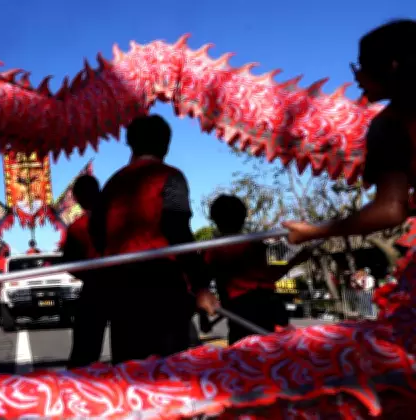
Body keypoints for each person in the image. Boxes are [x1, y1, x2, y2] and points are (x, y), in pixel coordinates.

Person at [89, 115, 218, 364]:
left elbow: (97, 232)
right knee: (169, 369)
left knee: (131, 369)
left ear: (131, 144)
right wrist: (201, 284)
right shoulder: (171, 177)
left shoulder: (112, 183)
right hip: (162, 282)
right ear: (166, 145)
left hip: (121, 287)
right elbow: (177, 228)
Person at [284, 20, 416, 245]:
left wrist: (313, 232)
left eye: (361, 66)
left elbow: (390, 210)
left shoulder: (390, 124)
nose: (356, 77)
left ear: (392, 66)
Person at [205, 195, 309, 344]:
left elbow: (202, 283)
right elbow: (269, 276)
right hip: (263, 305)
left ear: (215, 220)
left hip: (245, 308)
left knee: (243, 351)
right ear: (243, 217)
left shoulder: (213, 250)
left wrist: (204, 315)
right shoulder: (253, 244)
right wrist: (296, 260)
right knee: (266, 350)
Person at [63, 174, 107, 368]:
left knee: (84, 350)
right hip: (126, 283)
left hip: (96, 286)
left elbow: (69, 263)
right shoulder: (118, 217)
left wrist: (88, 275)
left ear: (78, 199)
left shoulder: (77, 227)